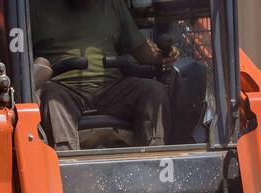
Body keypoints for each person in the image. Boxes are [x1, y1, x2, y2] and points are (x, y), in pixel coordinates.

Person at [31, 0, 174, 151]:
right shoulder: (33, 8)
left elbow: (140, 49)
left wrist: (165, 55)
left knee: (153, 90)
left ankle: (156, 160)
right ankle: (67, 163)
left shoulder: (113, 4)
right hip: (62, 89)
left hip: (112, 88)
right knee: (51, 98)